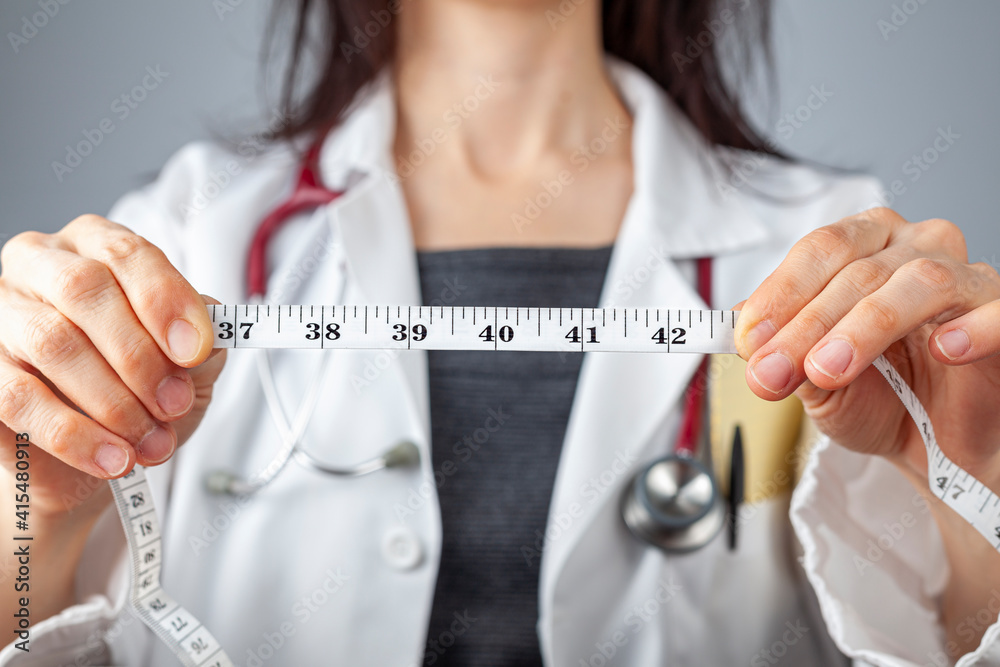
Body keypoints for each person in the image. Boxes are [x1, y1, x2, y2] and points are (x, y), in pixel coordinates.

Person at [1, 0, 999, 665]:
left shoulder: (836, 260)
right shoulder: (185, 235)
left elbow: (948, 634)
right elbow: (28, 623)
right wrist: (32, 506)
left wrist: (979, 478)